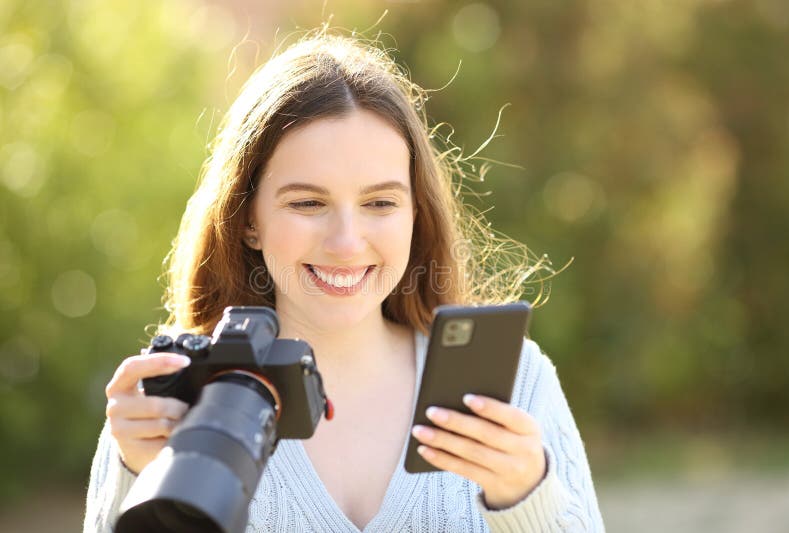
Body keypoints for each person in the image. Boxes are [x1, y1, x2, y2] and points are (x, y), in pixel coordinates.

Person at [84, 30, 604, 532]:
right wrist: (138, 477)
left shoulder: (517, 384)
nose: (347, 242)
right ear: (248, 220)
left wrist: (528, 499)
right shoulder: (166, 405)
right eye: (308, 203)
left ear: (415, 214)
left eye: (380, 203)